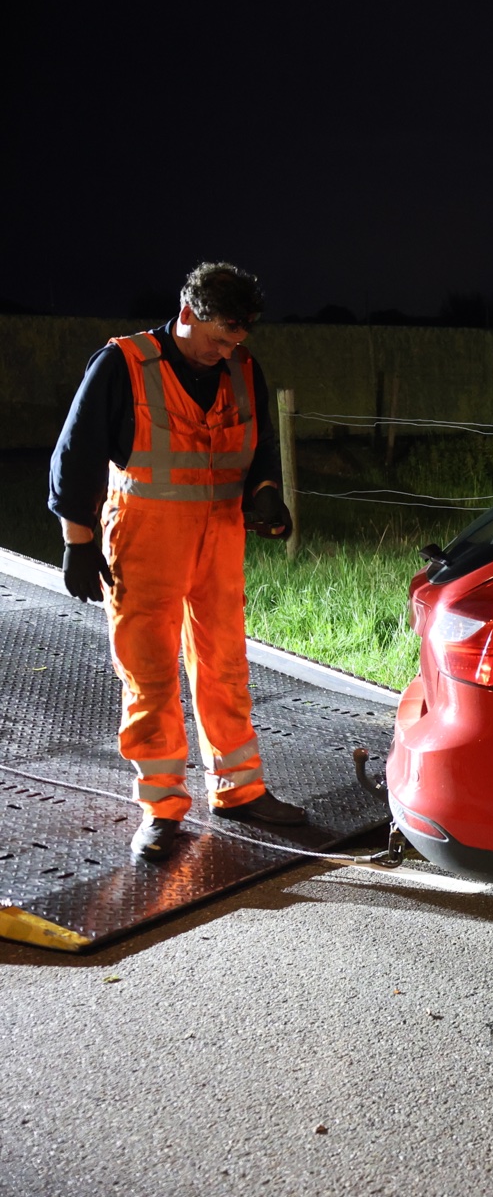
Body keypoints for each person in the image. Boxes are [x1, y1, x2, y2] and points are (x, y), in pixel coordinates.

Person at [47, 261, 307, 862]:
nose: (229, 352)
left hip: (218, 543)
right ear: (189, 315)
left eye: (239, 340)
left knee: (226, 666)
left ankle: (239, 790)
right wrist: (77, 542)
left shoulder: (243, 368)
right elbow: (76, 457)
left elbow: (260, 450)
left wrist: (267, 496)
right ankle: (161, 809)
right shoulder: (122, 365)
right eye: (220, 338)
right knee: (151, 673)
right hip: (146, 543)